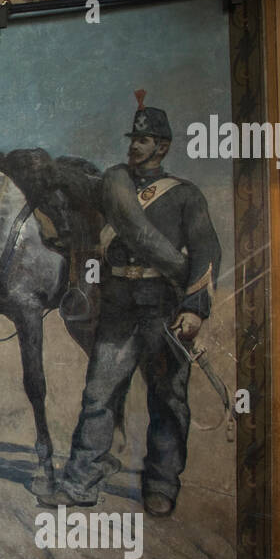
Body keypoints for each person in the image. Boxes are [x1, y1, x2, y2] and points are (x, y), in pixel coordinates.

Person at [44, 91, 221, 517]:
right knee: (99, 394)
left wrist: (195, 308)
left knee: (168, 398)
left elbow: (206, 251)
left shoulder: (185, 196)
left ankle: (161, 484)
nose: (134, 146)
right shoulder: (113, 186)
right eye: (133, 140)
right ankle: (81, 481)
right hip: (120, 307)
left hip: (164, 307)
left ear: (162, 146)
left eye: (143, 141)